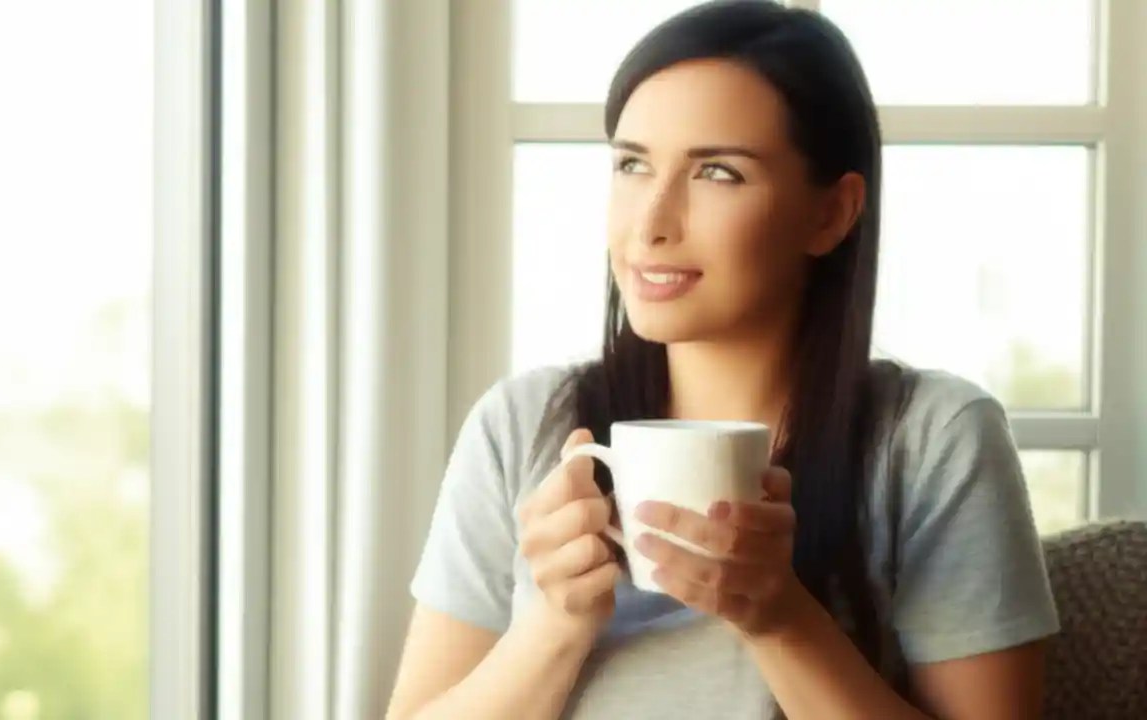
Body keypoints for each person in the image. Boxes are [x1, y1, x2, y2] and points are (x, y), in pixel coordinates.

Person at [386, 1, 1059, 718]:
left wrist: (780, 616)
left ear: (830, 213)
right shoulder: (524, 426)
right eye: (633, 164)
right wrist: (553, 625)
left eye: (717, 173)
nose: (651, 223)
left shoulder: (934, 439)